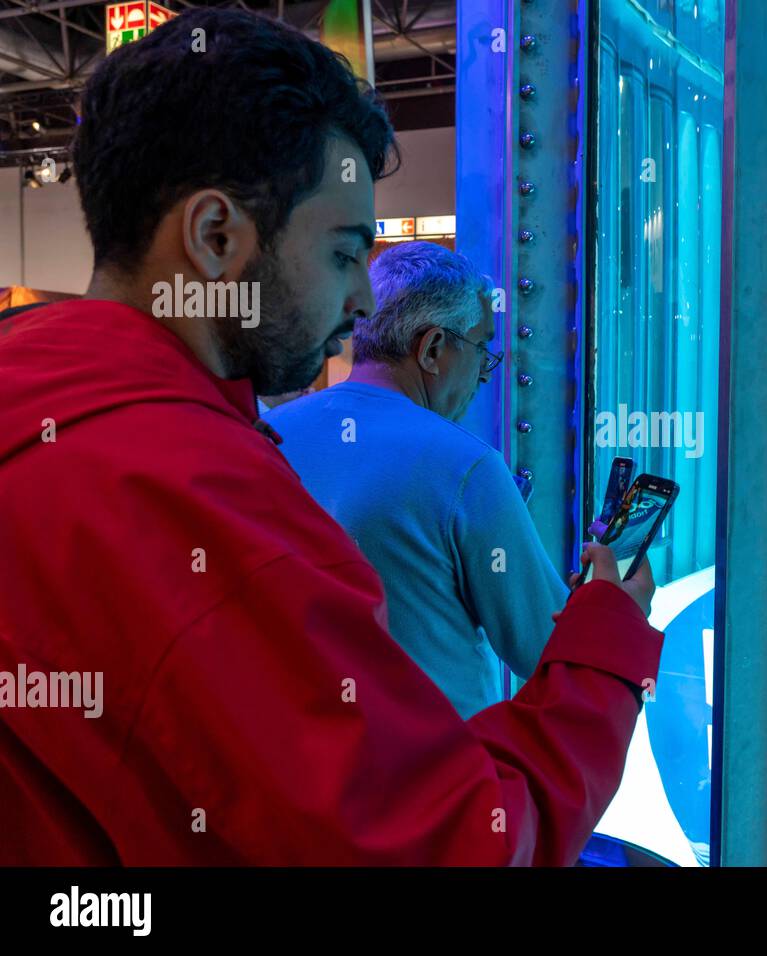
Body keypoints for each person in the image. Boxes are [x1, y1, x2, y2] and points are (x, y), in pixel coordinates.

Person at [0, 8, 661, 865]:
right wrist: (608, 647)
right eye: (347, 253)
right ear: (215, 239)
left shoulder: (55, 412)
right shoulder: (195, 497)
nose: (360, 303)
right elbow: (455, 844)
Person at [265, 242, 568, 717]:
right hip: (436, 777)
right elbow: (551, 651)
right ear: (431, 349)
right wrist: (619, 610)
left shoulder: (269, 438)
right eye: (481, 347)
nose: (485, 375)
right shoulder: (468, 469)